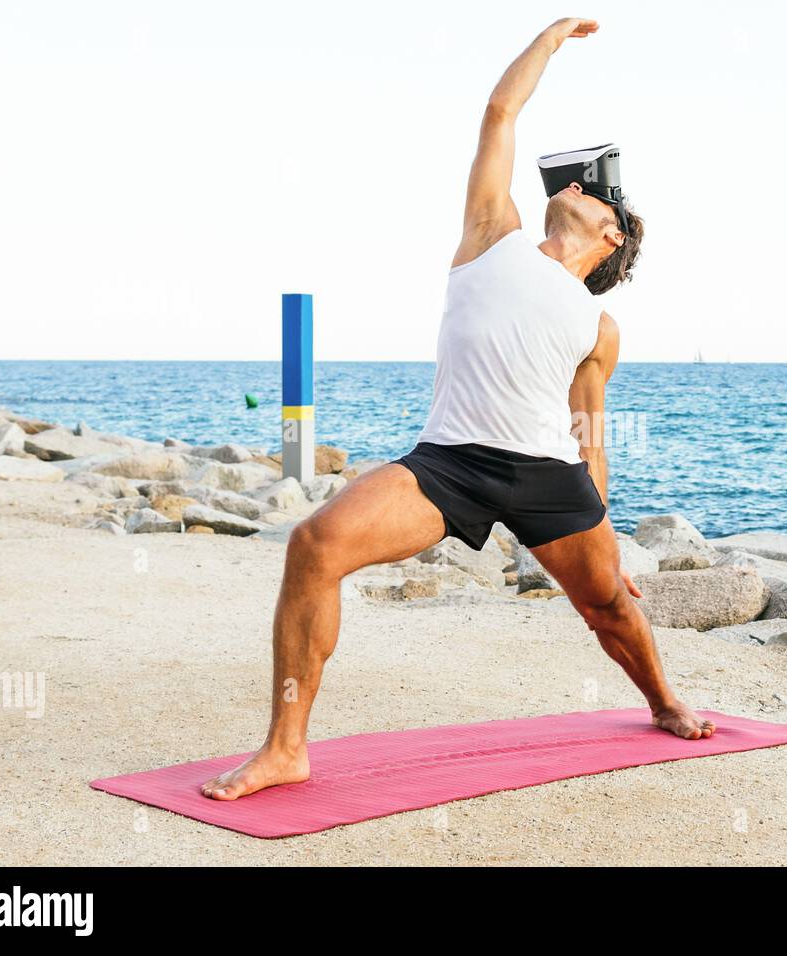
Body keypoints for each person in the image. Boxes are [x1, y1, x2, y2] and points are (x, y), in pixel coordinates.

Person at [202, 18, 714, 802]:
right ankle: (285, 747)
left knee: (610, 608)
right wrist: (548, 41)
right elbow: (499, 116)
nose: (564, 189)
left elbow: (587, 432)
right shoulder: (492, 235)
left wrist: (604, 531)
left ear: (609, 234)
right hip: (449, 464)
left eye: (582, 190)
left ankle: (665, 702)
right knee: (314, 544)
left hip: (548, 474)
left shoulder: (599, 326)